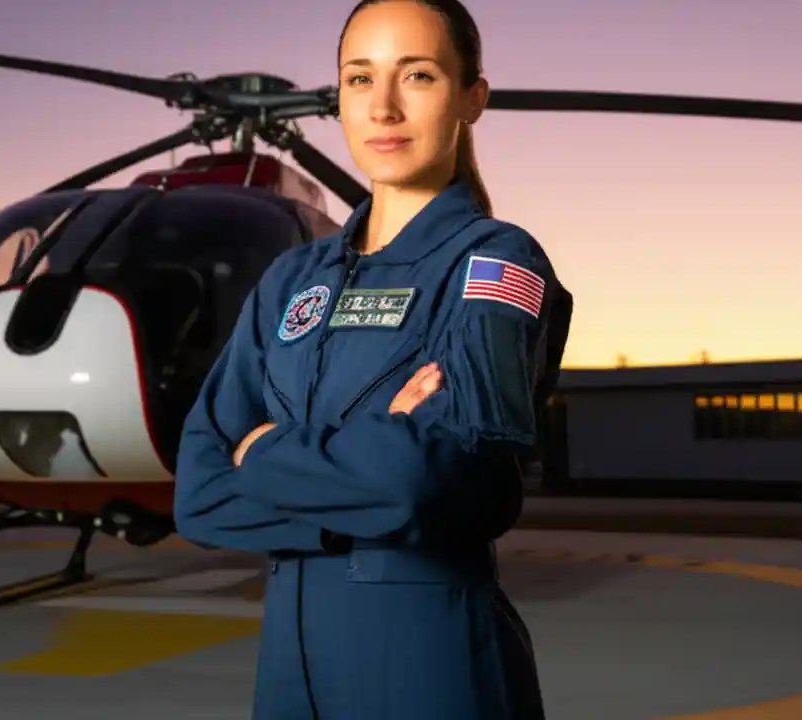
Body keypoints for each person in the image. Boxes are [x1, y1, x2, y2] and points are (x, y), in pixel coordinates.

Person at [173, 1, 572, 717]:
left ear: (471, 98)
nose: (383, 107)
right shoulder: (292, 282)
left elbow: (425, 479)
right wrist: (363, 475)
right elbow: (198, 493)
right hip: (289, 677)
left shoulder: (494, 262)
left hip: (431, 667)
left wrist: (264, 456)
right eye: (360, 79)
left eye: (416, 75)